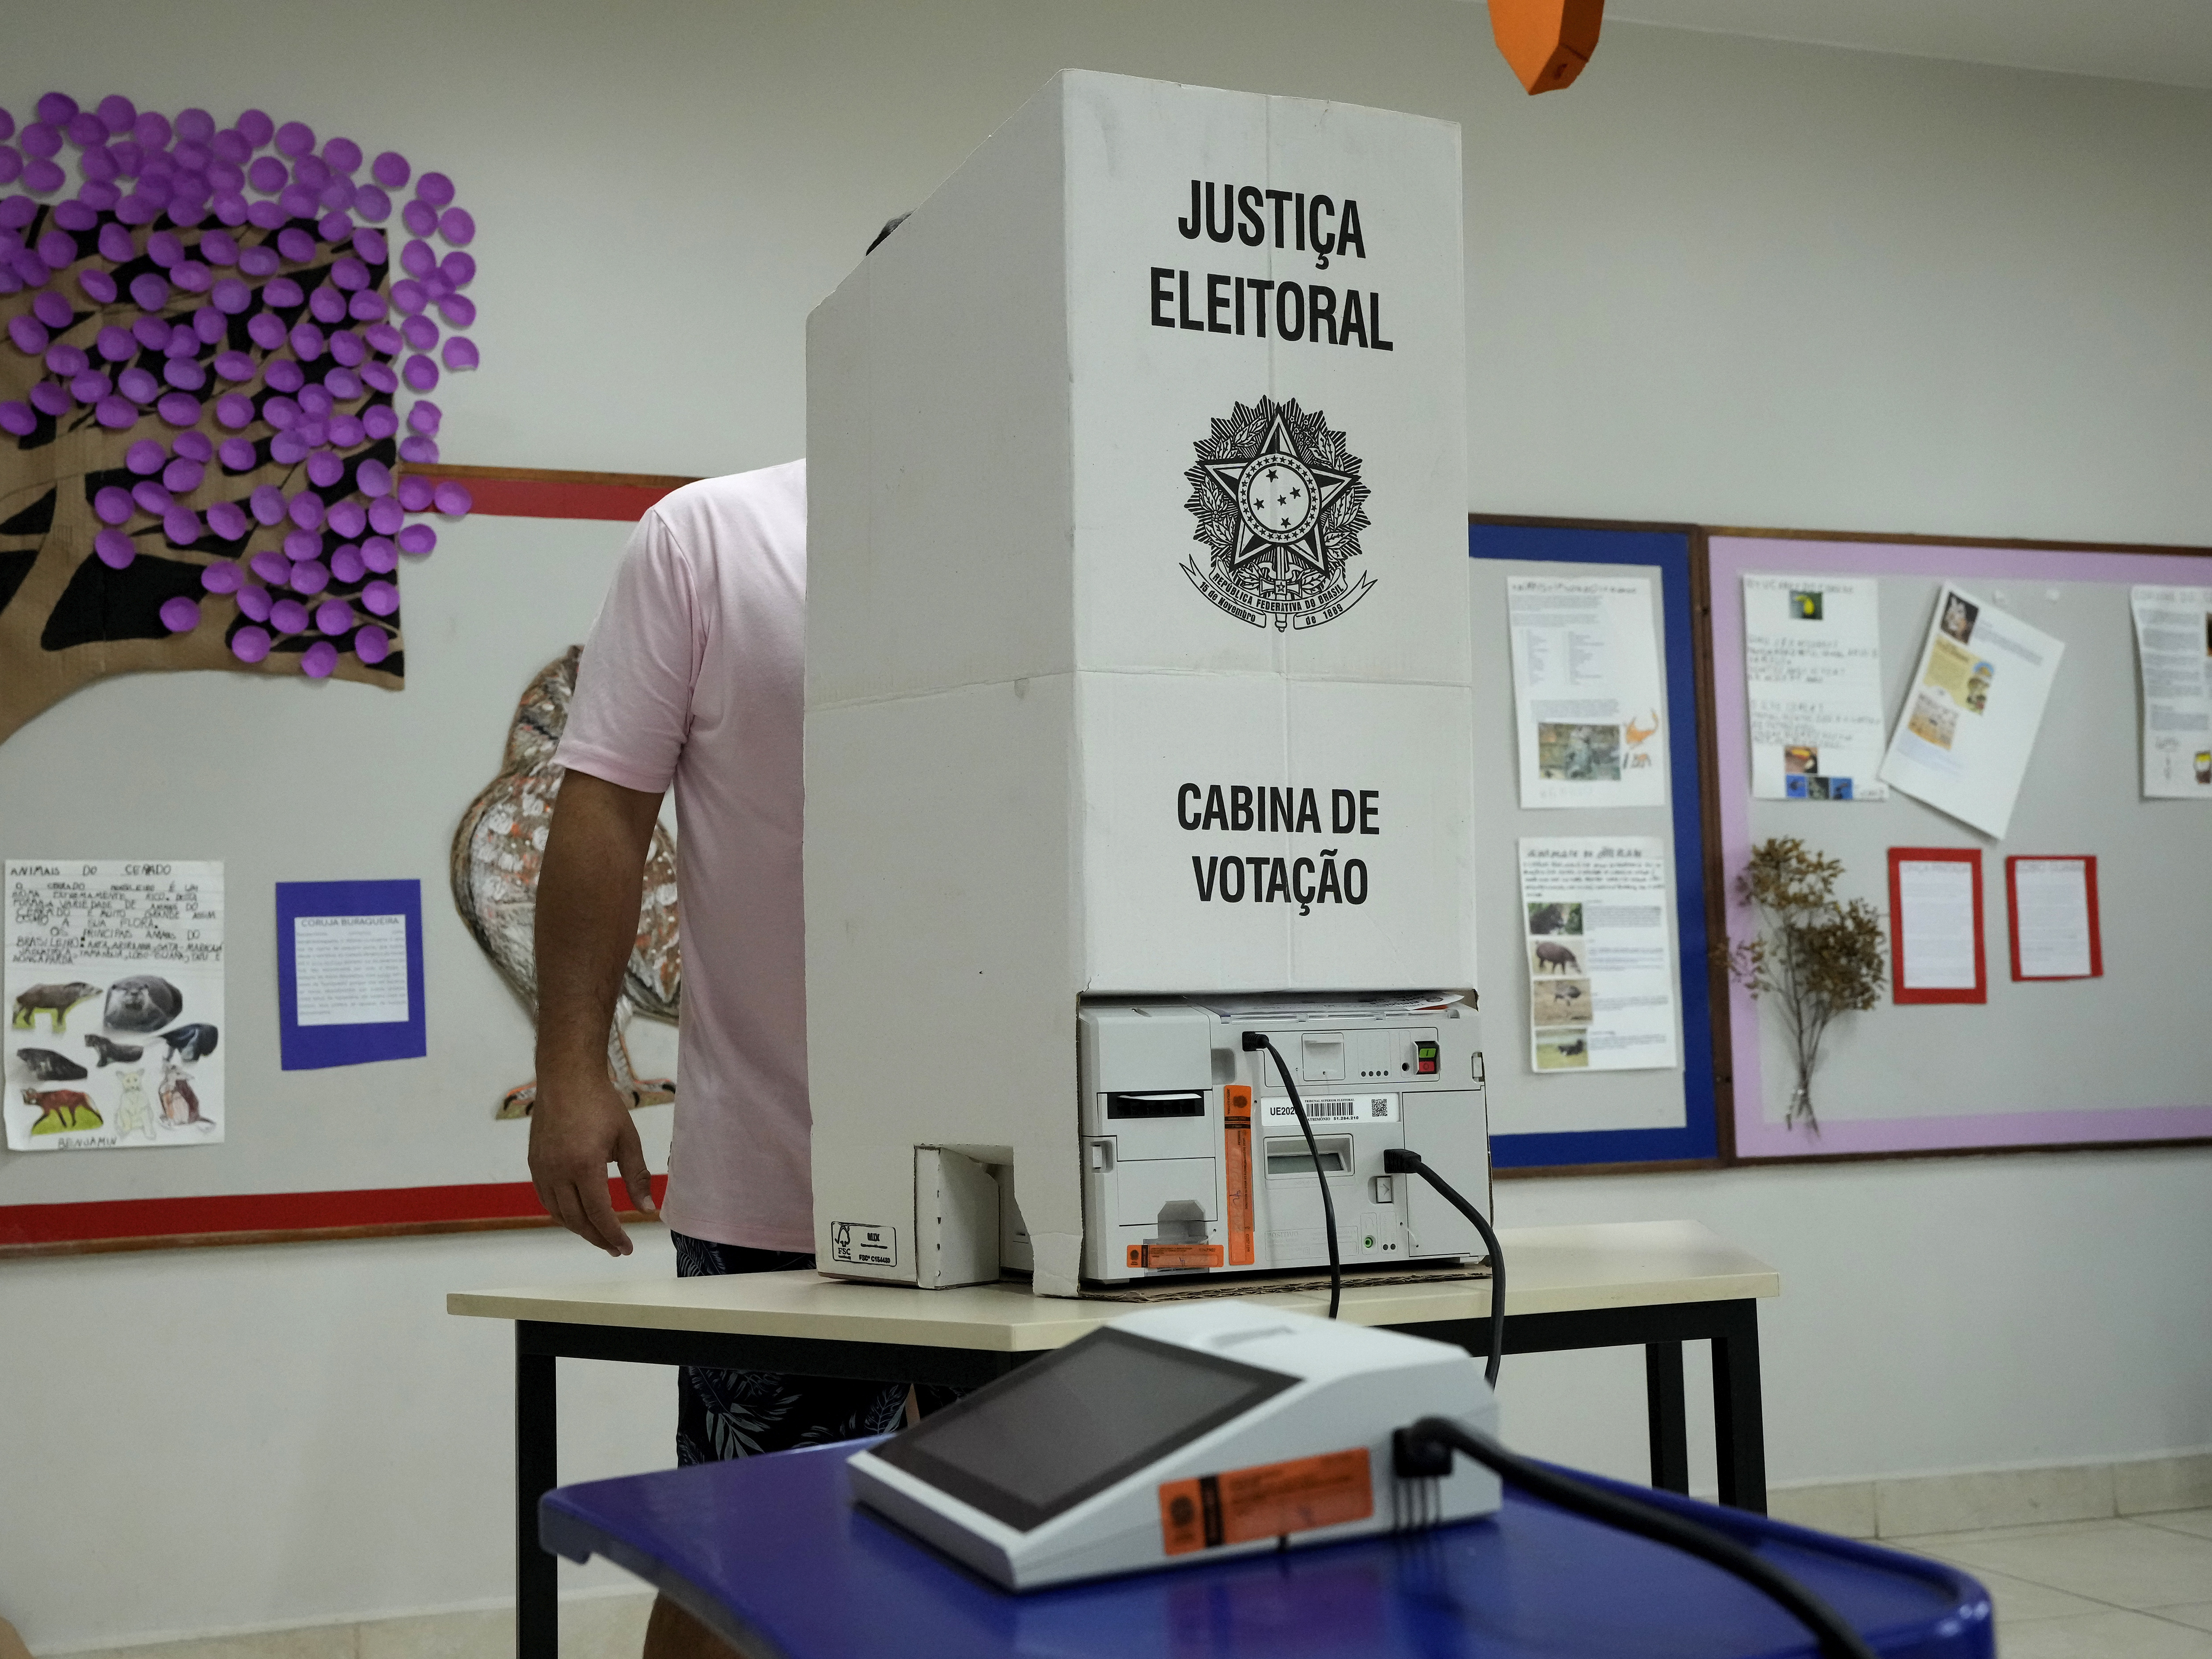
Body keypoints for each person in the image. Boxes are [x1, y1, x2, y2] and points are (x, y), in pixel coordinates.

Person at [530, 218, 915, 1659]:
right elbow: (604, 804)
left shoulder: (1072, 550)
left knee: (1026, 1553)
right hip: (780, 1178)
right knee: (744, 1565)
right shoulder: (716, 532)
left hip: (1053, 1191)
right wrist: (577, 1066)